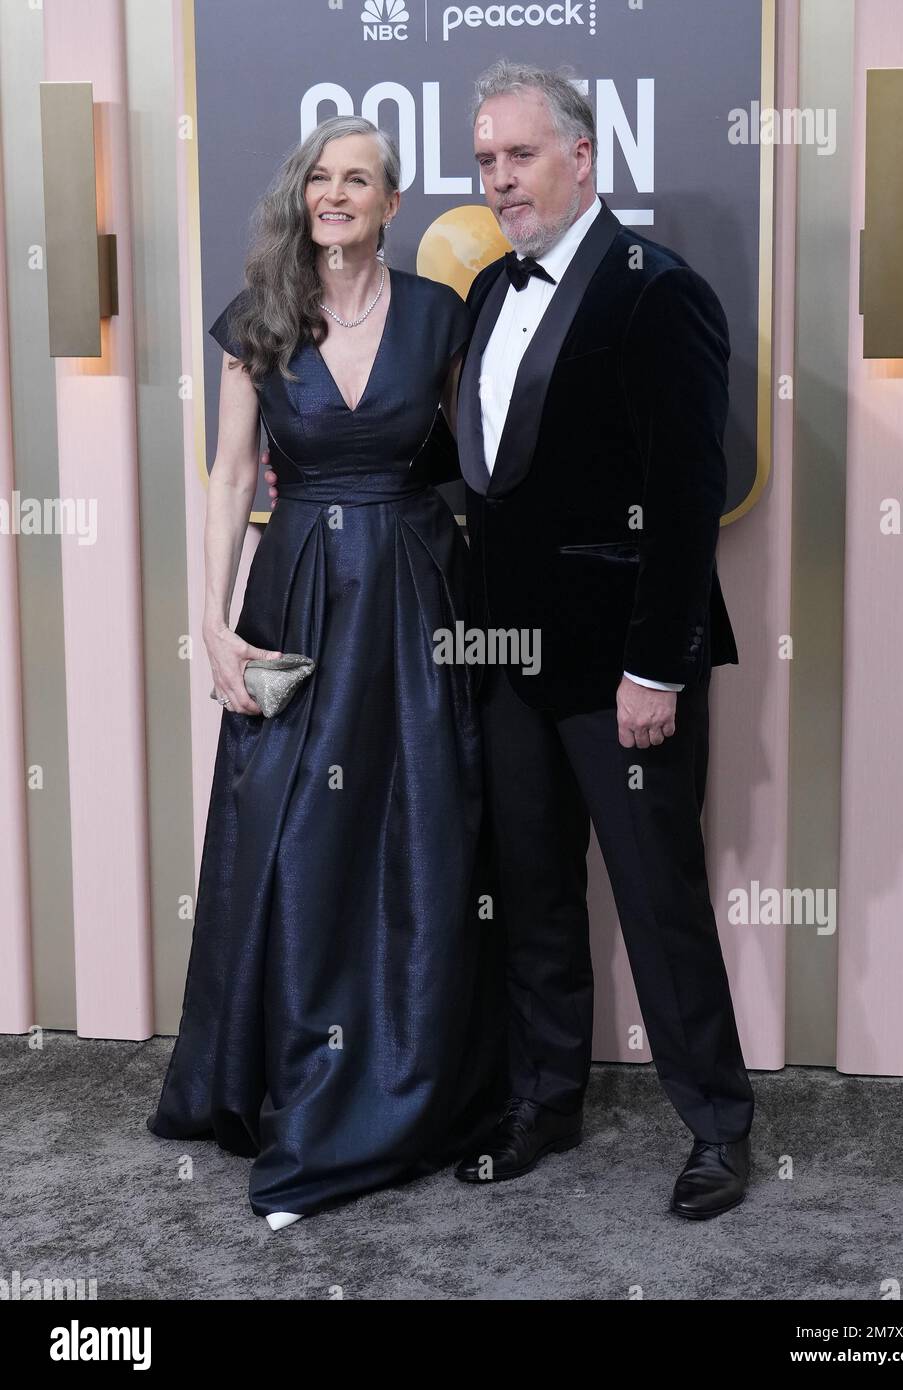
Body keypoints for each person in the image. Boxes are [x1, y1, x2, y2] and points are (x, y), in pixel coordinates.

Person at [265, 64, 755, 1221]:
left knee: (657, 896)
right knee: (530, 893)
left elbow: (687, 500)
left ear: (582, 158)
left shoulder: (656, 291)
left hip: (620, 664)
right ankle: (545, 1100)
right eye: (485, 161)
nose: (499, 178)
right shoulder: (482, 290)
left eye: (519, 156)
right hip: (502, 657)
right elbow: (474, 469)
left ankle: (719, 1127)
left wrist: (656, 665)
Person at [147, 115, 503, 1230]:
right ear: (302, 197)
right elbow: (228, 474)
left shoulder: (443, 315)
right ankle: (296, 1088)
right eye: (321, 179)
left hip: (409, 598)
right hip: (294, 590)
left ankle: (404, 1094)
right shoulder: (259, 320)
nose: (335, 196)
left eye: (359, 181)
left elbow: (476, 472)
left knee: (416, 832)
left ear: (394, 205)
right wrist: (208, 622)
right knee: (293, 839)